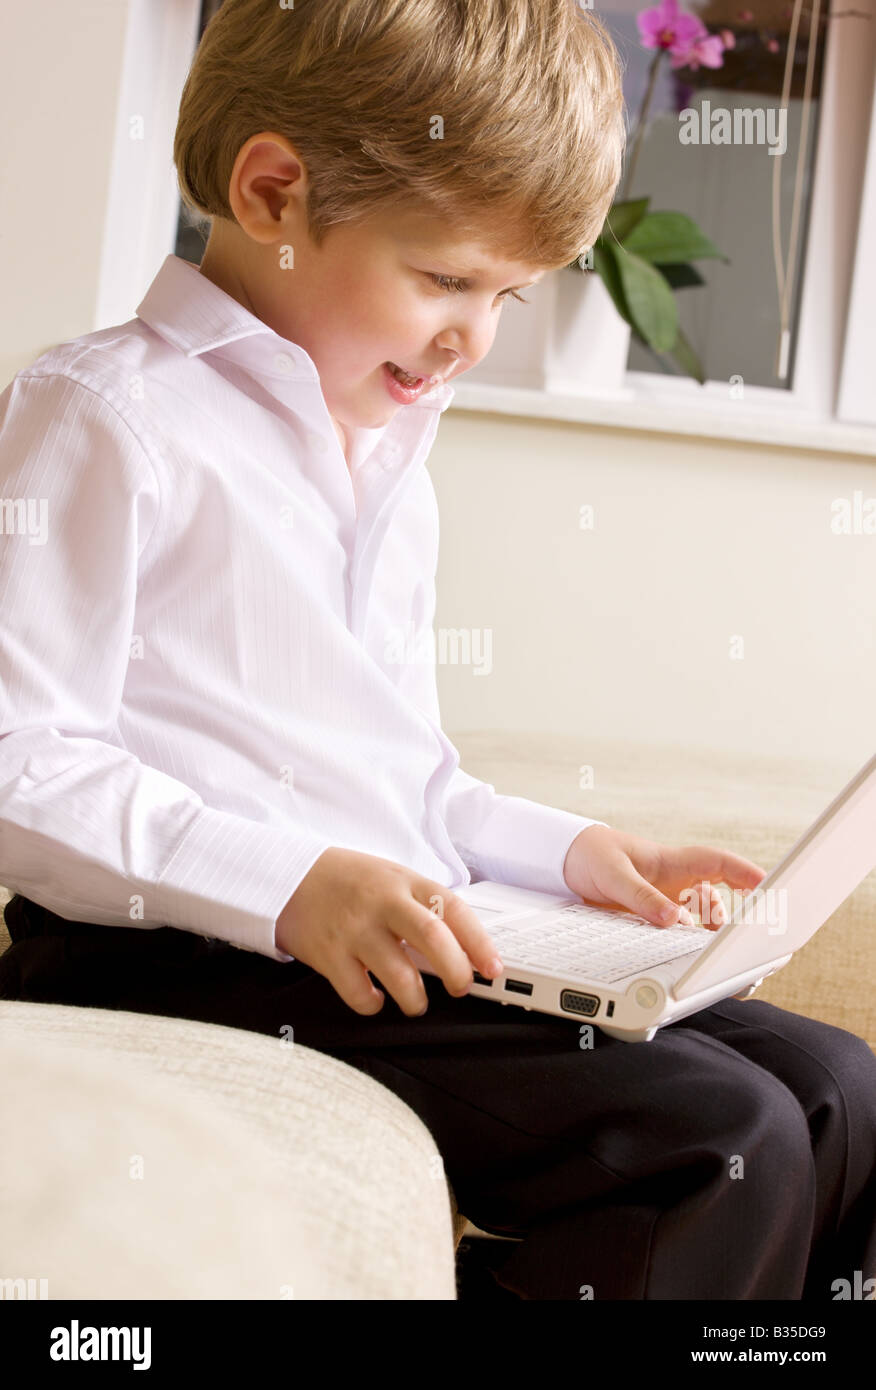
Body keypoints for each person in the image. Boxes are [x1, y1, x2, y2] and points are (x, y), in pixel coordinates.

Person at [1, 0, 874, 1301]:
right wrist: (293, 882)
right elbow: (20, 758)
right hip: (174, 947)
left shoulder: (391, 454)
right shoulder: (106, 416)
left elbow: (404, 779)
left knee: (837, 1090)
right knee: (714, 1140)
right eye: (448, 279)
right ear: (274, 189)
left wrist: (579, 855)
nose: (479, 336)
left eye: (512, 294)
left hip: (370, 938)